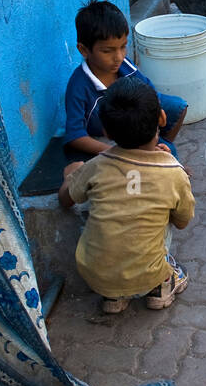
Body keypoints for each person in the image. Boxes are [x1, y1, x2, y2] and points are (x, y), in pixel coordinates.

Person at [58, 77, 195, 313]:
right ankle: (161, 286)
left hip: (95, 276)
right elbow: (182, 222)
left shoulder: (97, 165)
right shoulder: (173, 173)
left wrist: (71, 175)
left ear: (107, 131)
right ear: (162, 118)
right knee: (165, 214)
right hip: (146, 275)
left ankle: (114, 298)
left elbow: (65, 199)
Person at [63, 0, 187, 160]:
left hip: (136, 124)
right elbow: (75, 136)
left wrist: (152, 142)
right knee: (162, 157)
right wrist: (113, 152)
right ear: (84, 50)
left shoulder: (124, 64)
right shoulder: (78, 86)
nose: (119, 57)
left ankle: (157, 143)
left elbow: (150, 93)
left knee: (177, 108)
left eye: (123, 47)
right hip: (107, 140)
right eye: (108, 51)